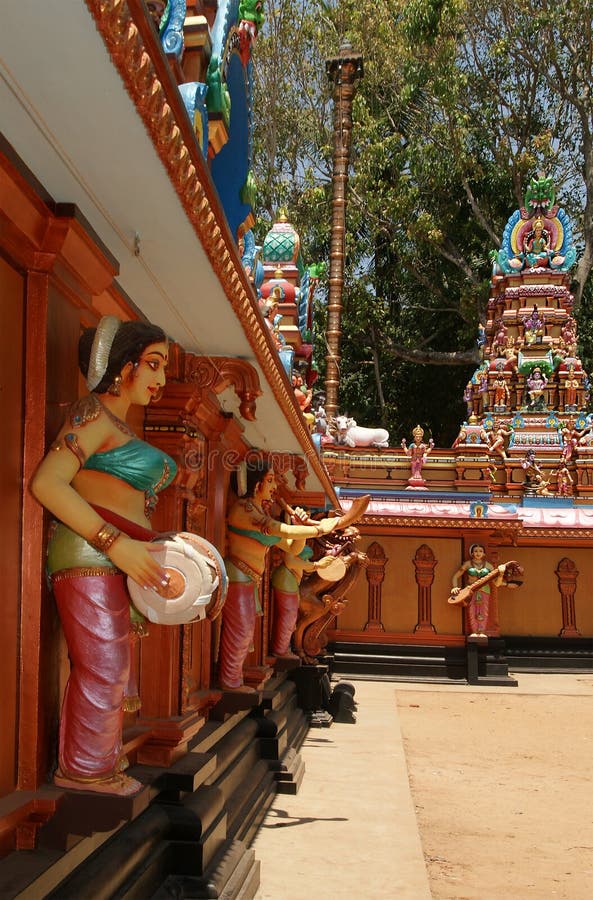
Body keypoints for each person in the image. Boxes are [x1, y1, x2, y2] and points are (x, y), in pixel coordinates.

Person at [31, 316, 175, 796]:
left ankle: (101, 766)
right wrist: (117, 543)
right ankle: (83, 772)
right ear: (122, 365)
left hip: (115, 554)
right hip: (89, 553)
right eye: (152, 364)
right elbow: (47, 483)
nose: (160, 378)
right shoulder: (90, 414)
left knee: (113, 667)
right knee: (104, 667)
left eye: (163, 367)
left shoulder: (114, 424)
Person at [220, 461, 347, 691]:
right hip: (237, 575)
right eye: (269, 480)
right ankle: (230, 682)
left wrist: (301, 526)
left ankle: (234, 680)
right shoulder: (244, 510)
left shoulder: (260, 511)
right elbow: (284, 531)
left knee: (246, 631)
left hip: (250, 579)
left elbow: (292, 547)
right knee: (241, 630)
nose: (274, 486)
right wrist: (322, 528)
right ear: (256, 485)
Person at [450, 544, 505, 638]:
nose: (478, 553)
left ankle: (482, 631)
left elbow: (497, 584)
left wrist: (501, 574)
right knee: (472, 610)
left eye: (480, 551)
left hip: (484, 590)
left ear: (484, 554)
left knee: (484, 610)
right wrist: (455, 587)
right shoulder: (467, 564)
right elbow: (455, 576)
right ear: (472, 553)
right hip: (471, 590)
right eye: (476, 551)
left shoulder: (489, 566)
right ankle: (474, 631)